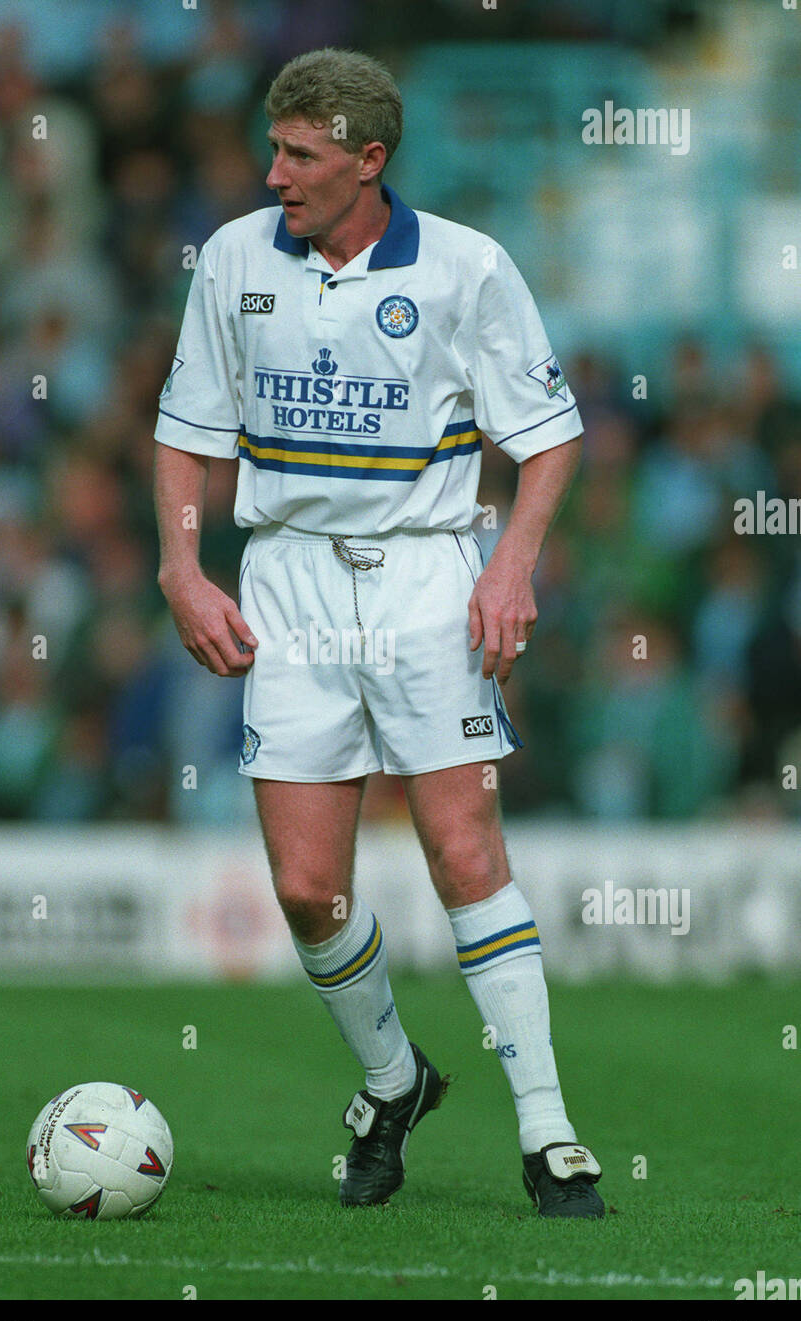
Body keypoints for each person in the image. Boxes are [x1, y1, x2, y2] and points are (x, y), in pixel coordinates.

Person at [154, 47, 604, 1217]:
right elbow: (184, 426)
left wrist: (511, 562)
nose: (275, 173)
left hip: (422, 582)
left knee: (462, 848)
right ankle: (394, 1081)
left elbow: (550, 434)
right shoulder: (237, 261)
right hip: (288, 585)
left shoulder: (466, 268)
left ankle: (549, 1133)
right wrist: (179, 567)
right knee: (308, 889)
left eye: (300, 155)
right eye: (274, 148)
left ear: (369, 158)